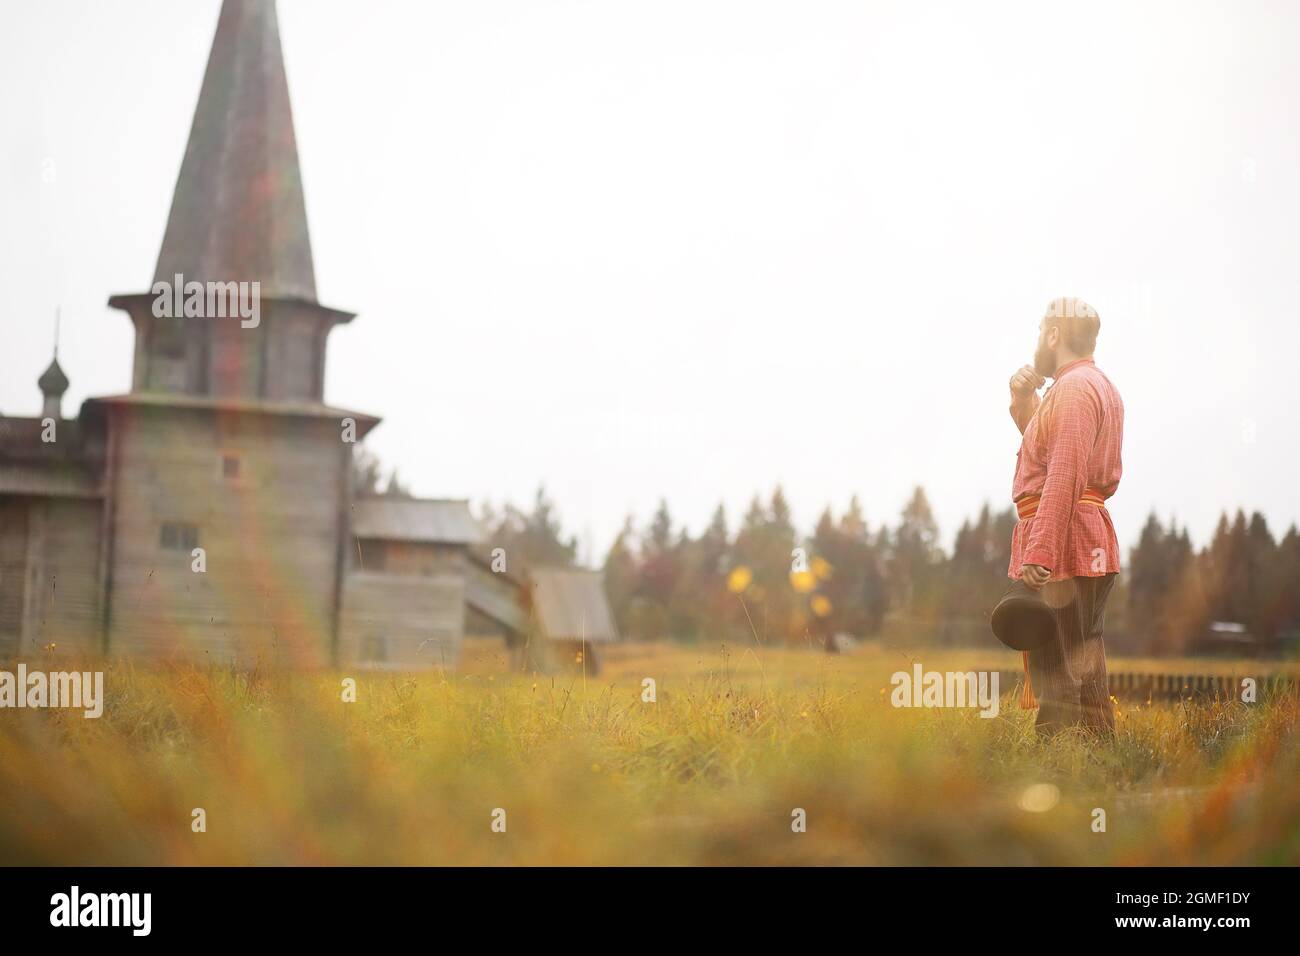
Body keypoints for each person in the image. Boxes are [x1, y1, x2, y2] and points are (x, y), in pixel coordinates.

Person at [1007, 297, 1124, 735]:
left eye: (1041, 331)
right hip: (1081, 537)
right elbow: (1049, 448)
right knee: (1081, 662)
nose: (1038, 340)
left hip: (1067, 542)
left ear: (1054, 334)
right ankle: (1099, 756)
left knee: (1057, 667)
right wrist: (1024, 401)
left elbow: (1064, 472)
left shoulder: (1075, 389)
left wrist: (1041, 551)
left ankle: (1056, 760)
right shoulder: (1085, 385)